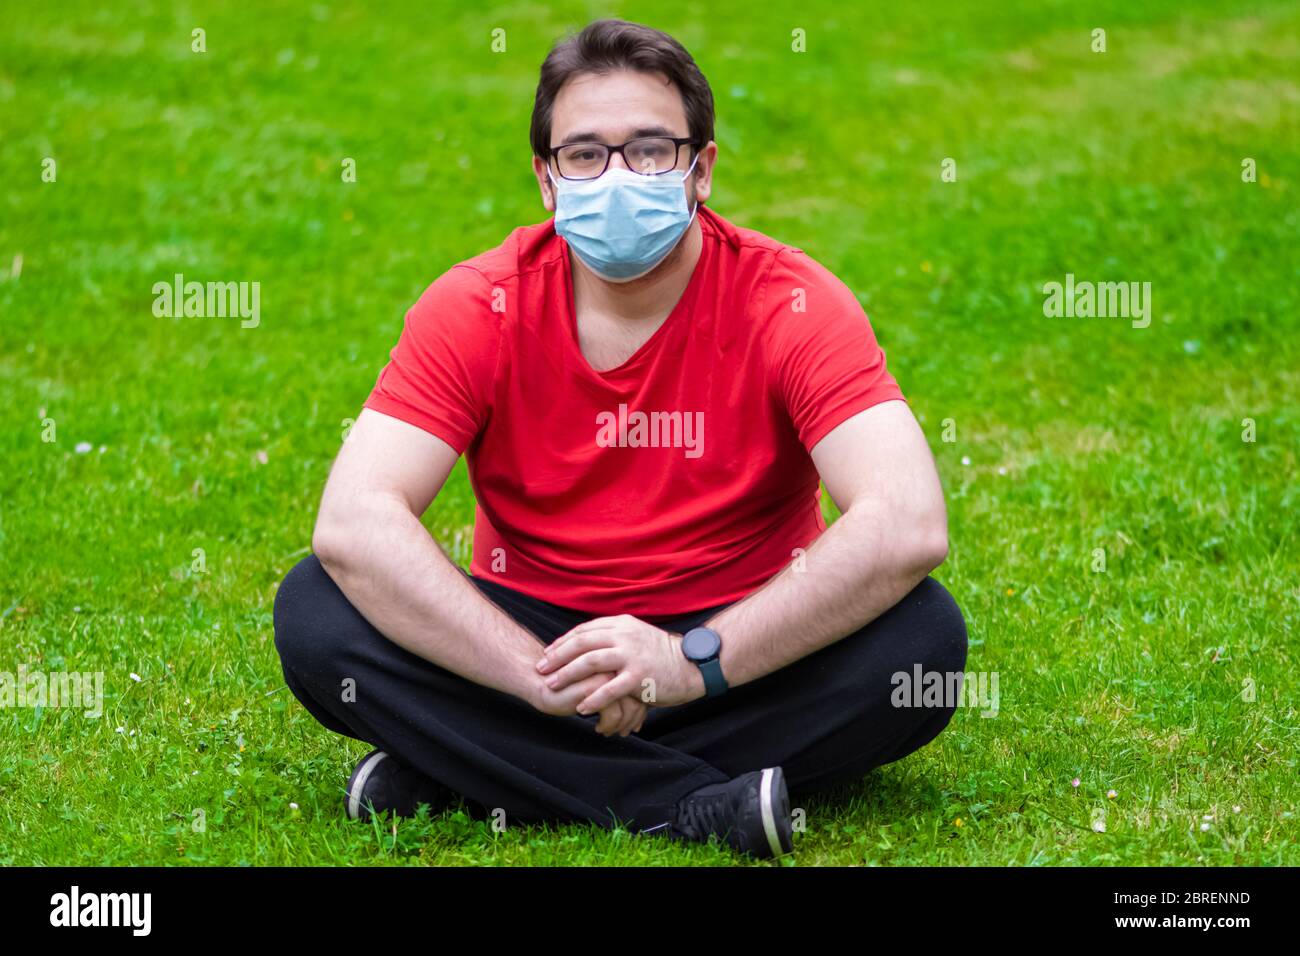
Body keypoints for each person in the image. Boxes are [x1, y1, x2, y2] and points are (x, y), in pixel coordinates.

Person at [273, 17, 967, 860]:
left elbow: (906, 522)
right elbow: (354, 522)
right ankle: (688, 804)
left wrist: (687, 663)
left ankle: (480, 771)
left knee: (922, 642)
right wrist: (540, 681)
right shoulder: (478, 304)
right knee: (316, 610)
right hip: (533, 638)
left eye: (649, 150)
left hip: (739, 639)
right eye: (585, 154)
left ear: (700, 169)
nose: (615, 175)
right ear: (546, 180)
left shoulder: (789, 300)